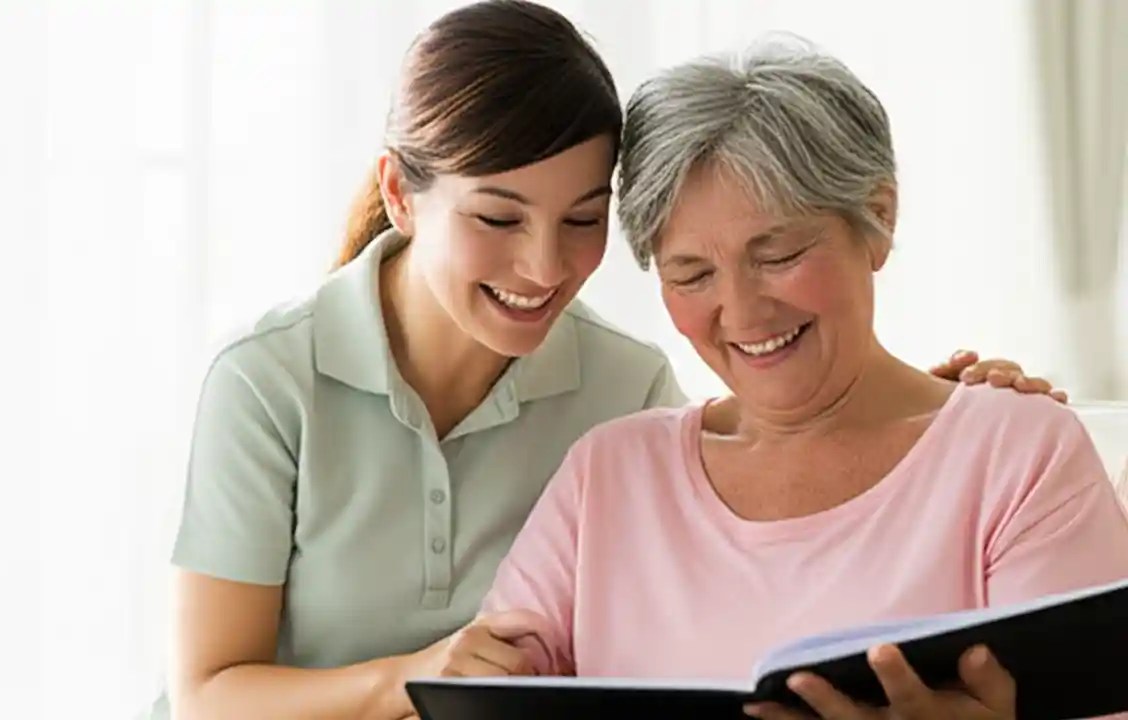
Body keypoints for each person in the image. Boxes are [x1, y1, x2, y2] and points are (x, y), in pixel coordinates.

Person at [153, 5, 1060, 719]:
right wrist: (415, 677)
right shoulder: (271, 379)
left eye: (583, 219)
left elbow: (781, 424)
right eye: (499, 219)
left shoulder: (622, 395)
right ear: (401, 194)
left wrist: (959, 419)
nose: (545, 268)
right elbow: (208, 695)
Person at [480, 38, 1128, 720]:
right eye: (692, 274)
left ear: (878, 217)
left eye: (779, 254)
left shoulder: (1017, 455)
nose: (743, 312)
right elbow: (481, 691)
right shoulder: (604, 477)